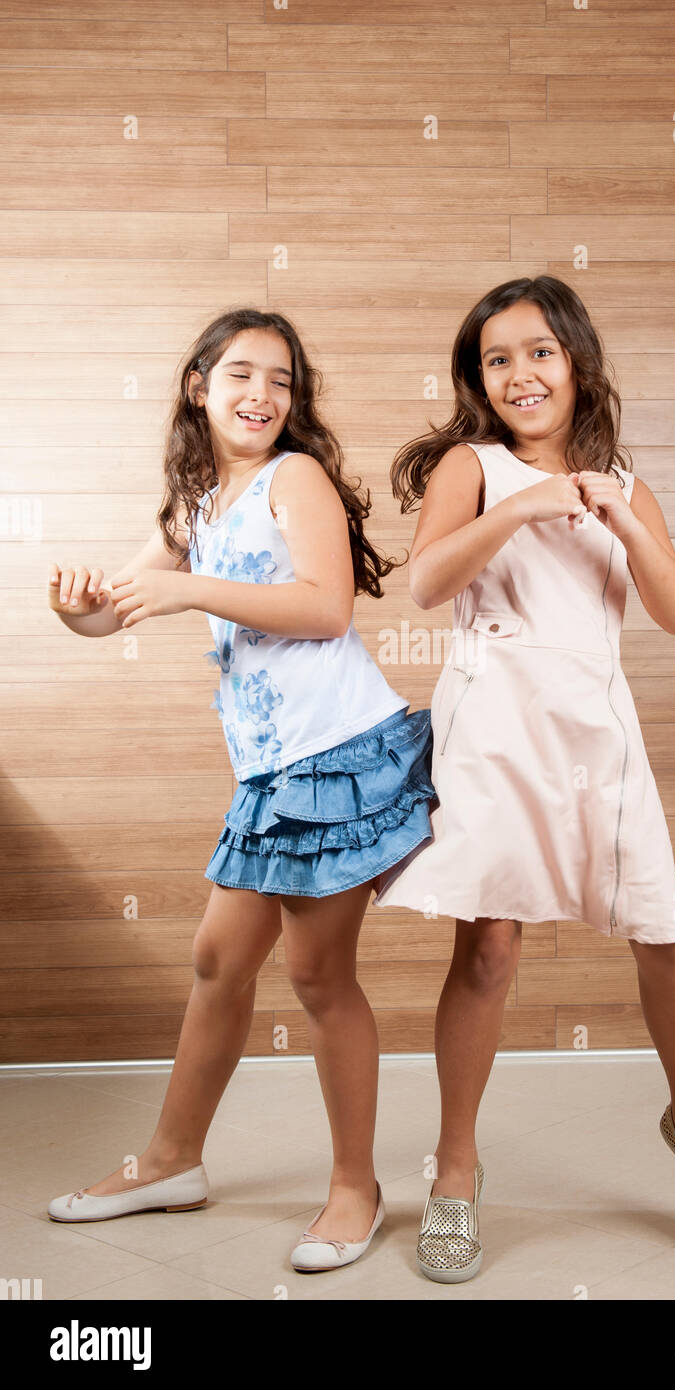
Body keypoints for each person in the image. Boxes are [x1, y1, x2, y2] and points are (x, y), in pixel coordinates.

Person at [374, 275, 675, 1281]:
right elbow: (425, 583)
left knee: (666, 935)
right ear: (479, 378)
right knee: (491, 948)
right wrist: (532, 502)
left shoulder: (629, 489)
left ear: (578, 362)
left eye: (539, 351)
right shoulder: (473, 465)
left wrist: (614, 515)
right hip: (495, 726)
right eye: (496, 358)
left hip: (597, 730)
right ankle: (455, 1167)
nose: (519, 373)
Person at [46, 307, 437, 1272]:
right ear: (200, 388)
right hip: (269, 776)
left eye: (280, 381)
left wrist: (193, 591)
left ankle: (357, 1187)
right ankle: (173, 1161)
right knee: (220, 962)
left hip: (339, 760)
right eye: (240, 375)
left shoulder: (292, 479)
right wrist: (76, 611)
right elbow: (115, 615)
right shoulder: (192, 507)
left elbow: (324, 605)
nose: (261, 395)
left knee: (315, 976)